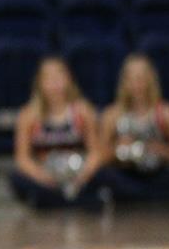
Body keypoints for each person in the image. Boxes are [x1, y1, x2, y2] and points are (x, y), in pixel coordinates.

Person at [87, 53, 169, 205]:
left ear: (150, 80)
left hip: (157, 173)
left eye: (141, 77)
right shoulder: (112, 115)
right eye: (131, 78)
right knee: (103, 175)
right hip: (126, 174)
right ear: (124, 82)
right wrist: (117, 149)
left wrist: (162, 150)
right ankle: (149, 197)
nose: (136, 83)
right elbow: (100, 156)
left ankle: (147, 196)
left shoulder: (166, 113)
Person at [9, 57, 102, 209]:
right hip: (46, 176)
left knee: (105, 174)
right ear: (39, 83)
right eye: (49, 78)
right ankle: (71, 201)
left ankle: (66, 199)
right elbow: (22, 158)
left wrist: (83, 176)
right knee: (17, 179)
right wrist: (42, 177)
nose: (55, 84)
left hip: (78, 174)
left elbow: (96, 153)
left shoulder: (83, 111)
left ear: (69, 80)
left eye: (59, 77)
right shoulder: (28, 115)